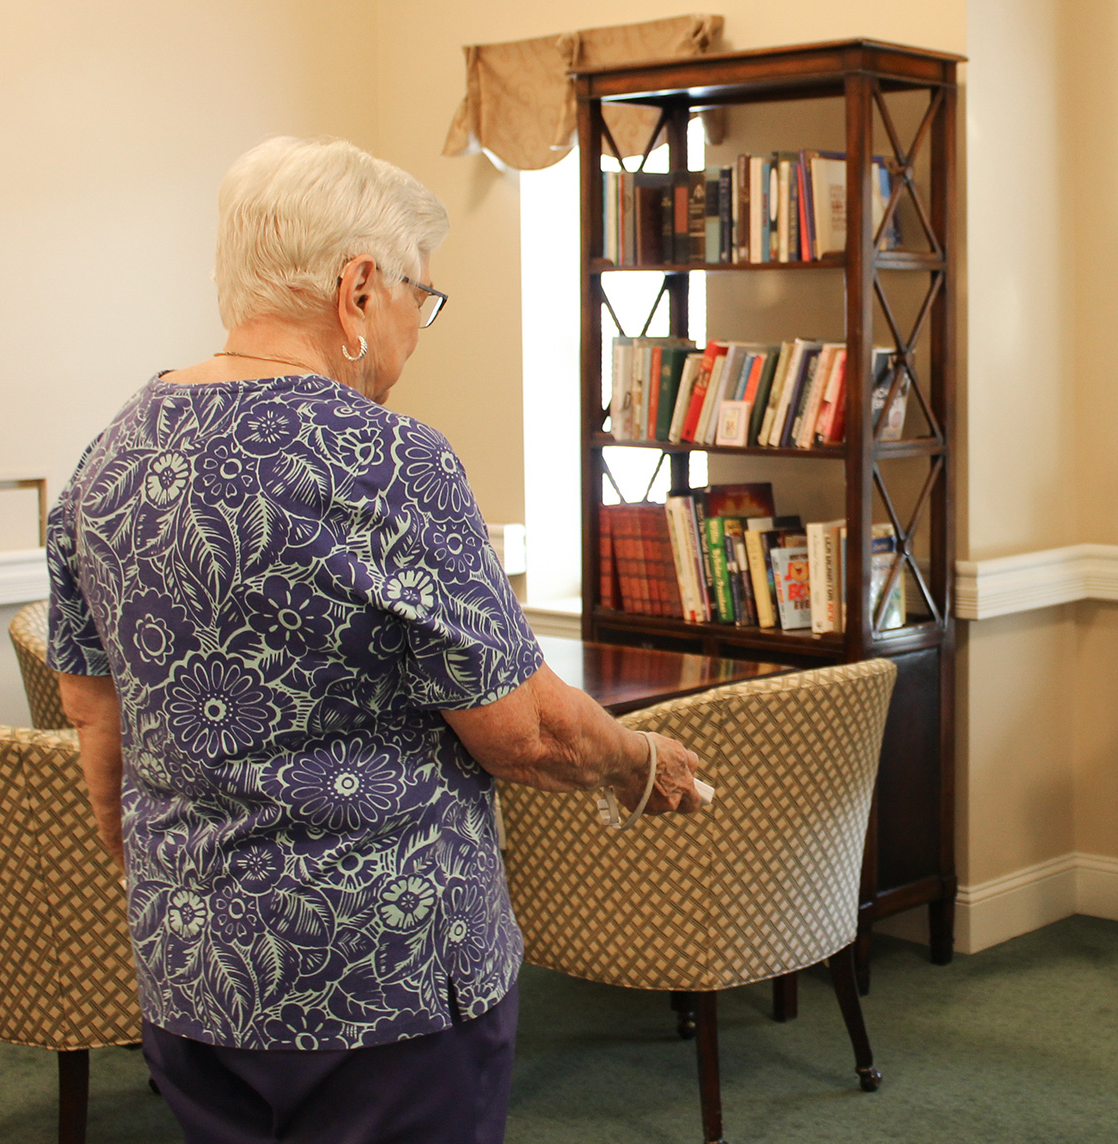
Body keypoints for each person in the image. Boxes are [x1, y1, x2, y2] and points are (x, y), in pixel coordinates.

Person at [46, 135, 704, 1143]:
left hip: (192, 974)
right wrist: (637, 758)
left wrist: (179, 908)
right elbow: (521, 730)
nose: (416, 327)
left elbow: (98, 731)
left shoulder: (107, 456)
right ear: (358, 289)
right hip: (386, 983)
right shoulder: (388, 461)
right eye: (419, 296)